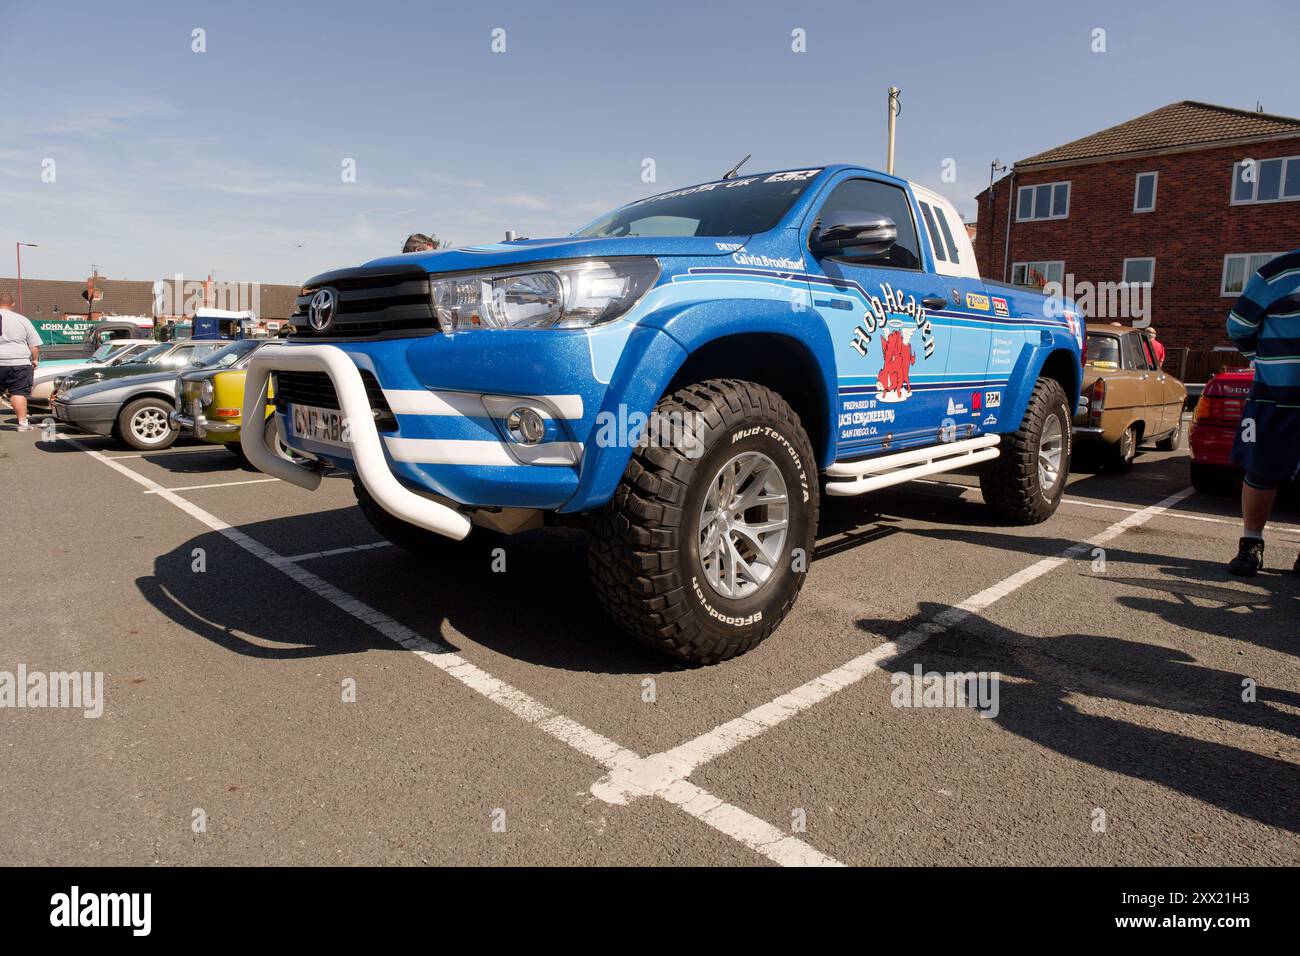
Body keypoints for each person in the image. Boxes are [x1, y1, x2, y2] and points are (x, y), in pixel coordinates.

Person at [1224, 248, 1300, 576]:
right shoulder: (1281, 271)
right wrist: (1263, 358)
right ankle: (1250, 544)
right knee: (1260, 470)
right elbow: (1239, 325)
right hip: (1275, 395)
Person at [0, 292, 42, 432]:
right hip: (19, 362)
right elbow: (34, 345)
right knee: (18, 393)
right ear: (12, 304)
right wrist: (35, 359)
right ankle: (22, 423)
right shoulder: (22, 320)